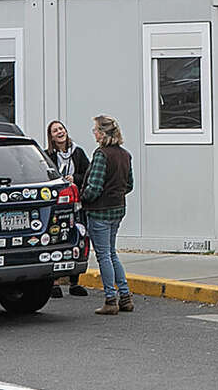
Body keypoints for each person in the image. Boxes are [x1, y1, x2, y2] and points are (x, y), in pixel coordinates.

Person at [79, 114, 134, 315]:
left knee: (103, 256)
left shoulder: (101, 155)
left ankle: (111, 299)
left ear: (102, 133)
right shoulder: (125, 155)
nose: (93, 133)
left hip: (99, 211)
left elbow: (94, 187)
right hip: (118, 208)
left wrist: (82, 199)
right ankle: (125, 296)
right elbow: (129, 184)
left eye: (95, 129)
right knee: (111, 252)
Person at [44, 120, 91, 298]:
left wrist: (75, 178)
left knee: (77, 236)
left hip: (76, 203)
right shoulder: (47, 155)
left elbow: (88, 173)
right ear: (51, 136)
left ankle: (74, 282)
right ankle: (54, 282)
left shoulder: (78, 152)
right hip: (56, 204)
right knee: (56, 238)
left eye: (61, 129)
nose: (59, 132)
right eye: (55, 130)